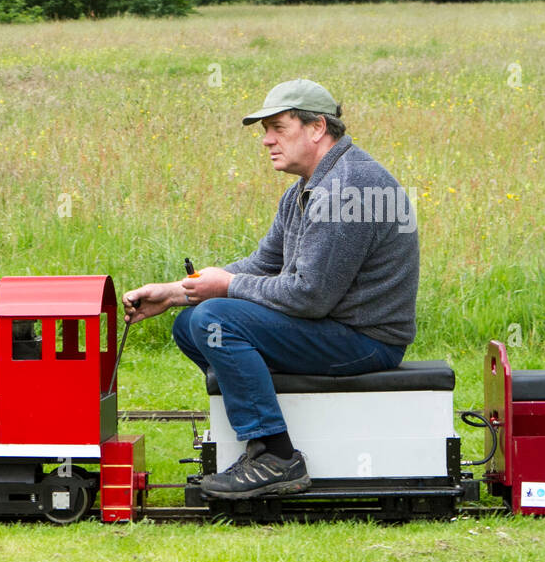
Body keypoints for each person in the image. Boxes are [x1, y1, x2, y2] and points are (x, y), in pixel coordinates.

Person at [121, 79, 419, 498]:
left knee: (212, 320)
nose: (266, 141)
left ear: (317, 128)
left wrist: (226, 287)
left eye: (278, 127)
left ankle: (277, 457)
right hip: (331, 329)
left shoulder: (348, 190)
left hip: (366, 340)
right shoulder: (306, 190)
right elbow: (264, 264)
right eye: (266, 130)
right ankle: (263, 440)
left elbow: (309, 297)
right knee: (190, 323)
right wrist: (175, 292)